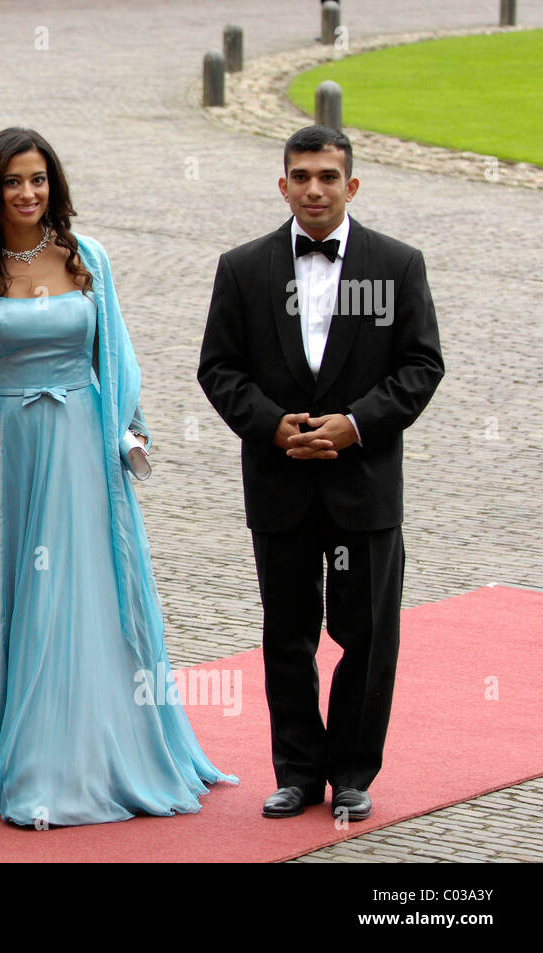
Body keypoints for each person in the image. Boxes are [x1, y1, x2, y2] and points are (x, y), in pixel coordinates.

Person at [0, 128, 235, 827]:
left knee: (79, 594)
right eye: (13, 182)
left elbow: (117, 360)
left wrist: (131, 429)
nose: (28, 193)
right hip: (2, 446)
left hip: (81, 442)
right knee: (1, 589)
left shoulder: (89, 259)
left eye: (39, 179)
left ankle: (73, 759)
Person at [198, 125, 443, 821]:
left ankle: (354, 768)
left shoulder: (397, 266)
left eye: (328, 177)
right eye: (301, 176)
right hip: (279, 484)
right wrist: (273, 425)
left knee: (367, 631)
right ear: (283, 185)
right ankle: (298, 771)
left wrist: (355, 423)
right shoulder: (243, 267)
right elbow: (218, 368)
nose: (313, 188)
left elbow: (421, 365)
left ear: (351, 185)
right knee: (288, 631)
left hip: (363, 483)